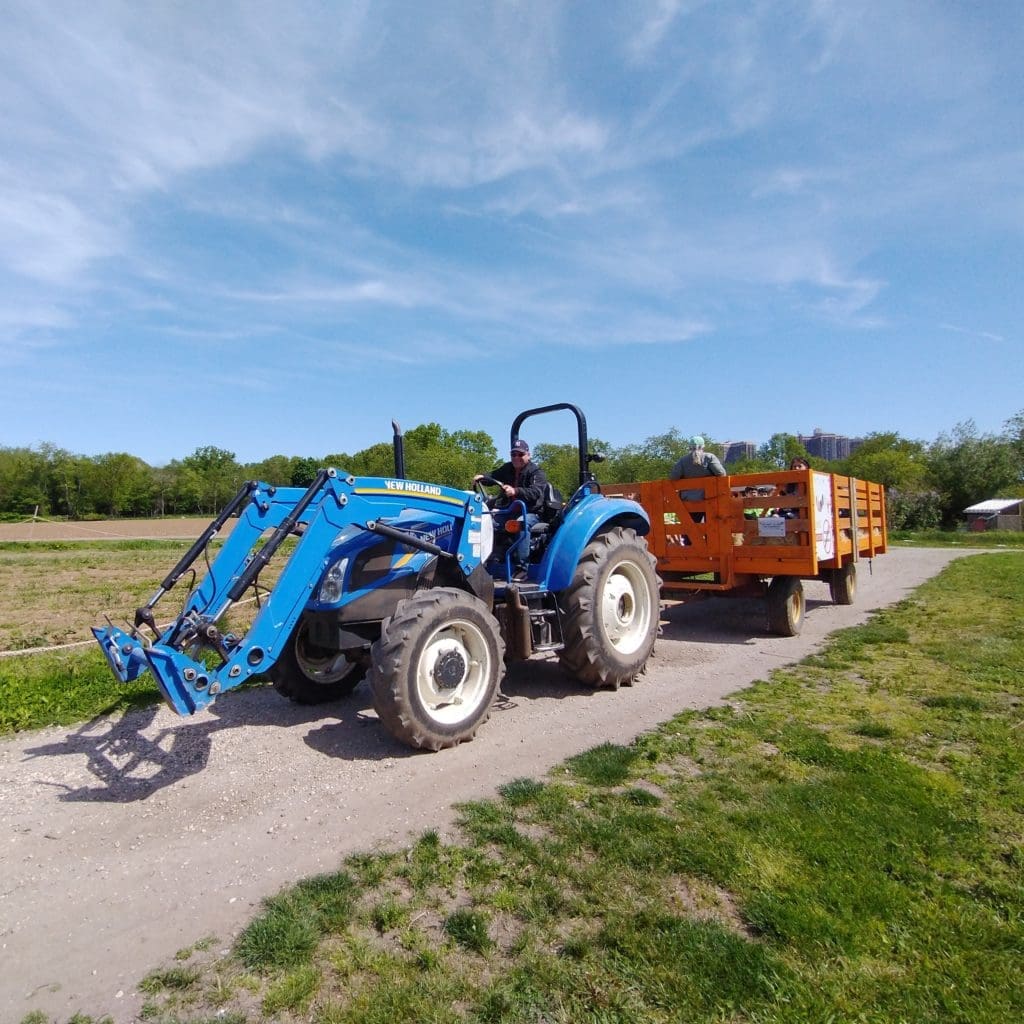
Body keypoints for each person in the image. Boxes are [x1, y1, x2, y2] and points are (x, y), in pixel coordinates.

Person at [474, 439, 548, 575]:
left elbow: (535, 492)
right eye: (513, 454)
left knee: (520, 523)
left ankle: (522, 567)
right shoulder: (508, 468)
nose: (516, 458)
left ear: (528, 455)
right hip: (509, 510)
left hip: (531, 512)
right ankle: (487, 559)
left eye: (520, 454)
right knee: (486, 522)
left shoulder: (537, 473)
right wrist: (482, 477)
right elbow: (493, 476)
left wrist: (516, 491)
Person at [669, 436, 726, 502]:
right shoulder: (709, 457)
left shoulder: (682, 460)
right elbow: (721, 473)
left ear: (690, 447)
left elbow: (673, 477)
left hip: (687, 499)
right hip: (709, 497)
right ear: (703, 447)